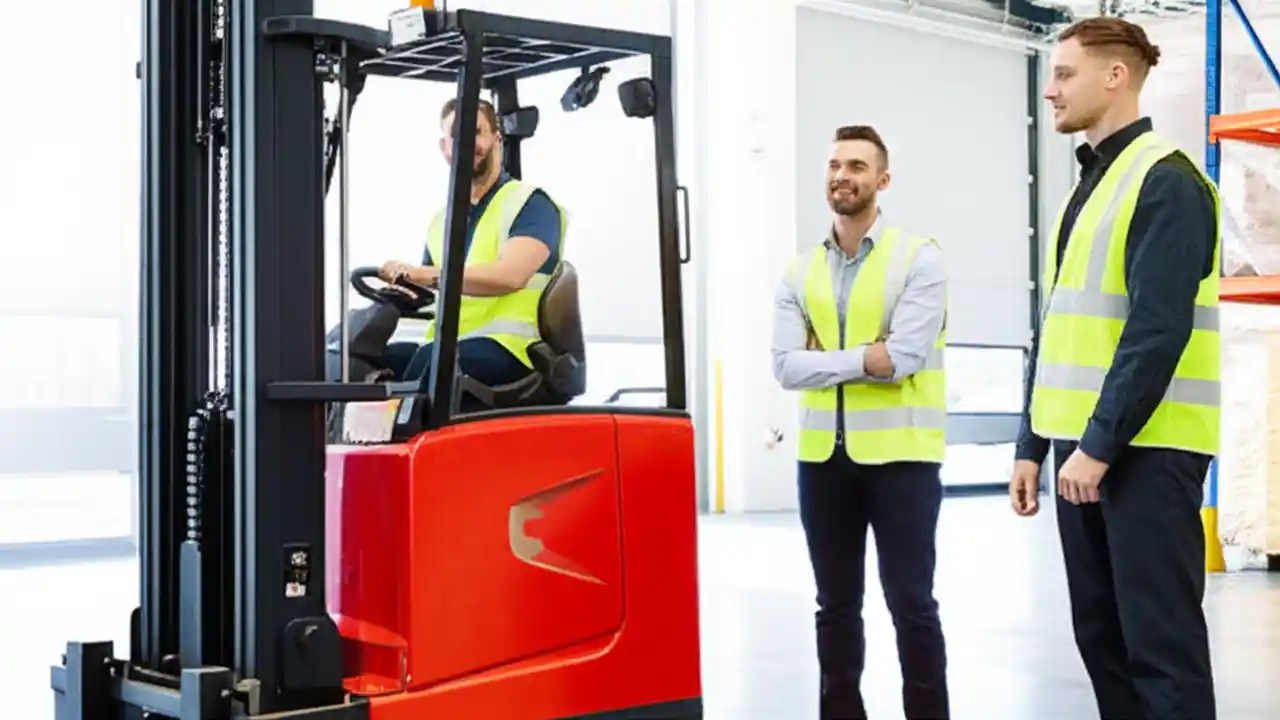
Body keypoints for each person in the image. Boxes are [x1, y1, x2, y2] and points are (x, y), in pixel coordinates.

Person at [1010, 16, 1220, 720]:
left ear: (1115, 76)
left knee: (1160, 650)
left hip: (1148, 453)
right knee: (1103, 641)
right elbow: (1058, 327)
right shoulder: (1090, 187)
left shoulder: (1167, 182)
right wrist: (1031, 444)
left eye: (1064, 74)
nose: (1050, 90)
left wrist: (1098, 446)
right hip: (1082, 450)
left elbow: (1157, 331)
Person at [772, 124, 950, 719]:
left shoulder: (918, 257)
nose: (841, 176)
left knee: (911, 604)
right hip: (823, 461)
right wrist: (861, 359)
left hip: (903, 460)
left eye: (856, 166)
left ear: (882, 180)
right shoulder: (800, 271)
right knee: (835, 607)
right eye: (834, 165)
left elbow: (903, 358)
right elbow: (785, 367)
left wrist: (826, 360)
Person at [378, 97, 566, 392]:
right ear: (445, 147)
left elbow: (510, 276)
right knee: (366, 357)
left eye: (476, 132)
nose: (466, 143)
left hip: (515, 351)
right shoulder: (441, 221)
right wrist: (398, 286)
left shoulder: (530, 205)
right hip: (453, 344)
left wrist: (424, 274)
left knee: (432, 363)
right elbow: (427, 291)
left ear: (497, 140)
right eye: (457, 135)